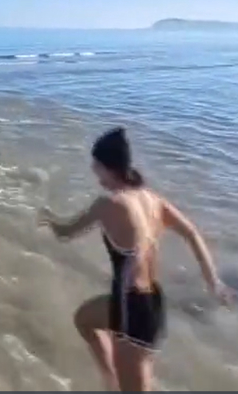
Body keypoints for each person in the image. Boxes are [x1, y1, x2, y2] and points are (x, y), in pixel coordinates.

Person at [39, 128, 232, 392]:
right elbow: (192, 233)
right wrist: (214, 282)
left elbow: (65, 235)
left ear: (109, 167)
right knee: (84, 319)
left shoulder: (108, 204)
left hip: (131, 310)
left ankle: (114, 382)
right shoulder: (152, 199)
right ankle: (110, 381)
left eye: (96, 164)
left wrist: (50, 220)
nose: (94, 170)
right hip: (152, 301)